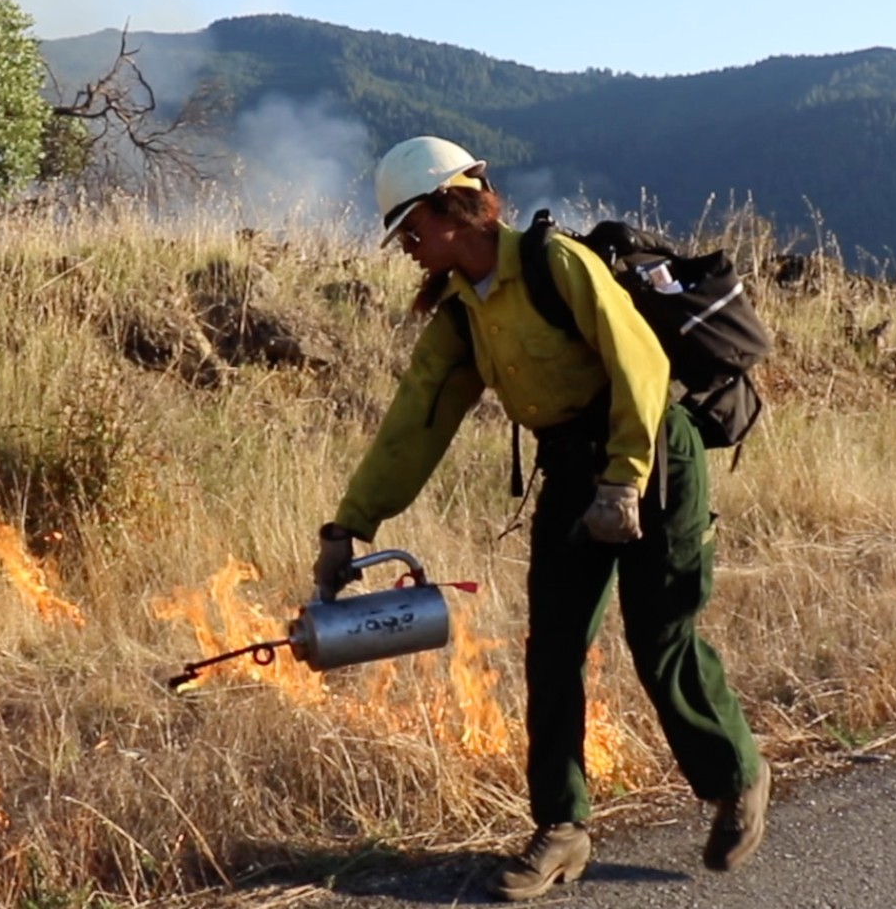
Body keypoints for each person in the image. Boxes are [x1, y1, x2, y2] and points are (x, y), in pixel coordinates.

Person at [312, 136, 771, 901]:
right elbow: (415, 422)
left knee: (660, 635)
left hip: (654, 456)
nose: (408, 250)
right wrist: (349, 525)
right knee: (553, 648)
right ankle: (562, 829)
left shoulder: (559, 265)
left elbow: (642, 370)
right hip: (569, 471)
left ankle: (736, 777)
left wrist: (624, 481)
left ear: (449, 208)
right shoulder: (462, 313)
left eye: (412, 232)